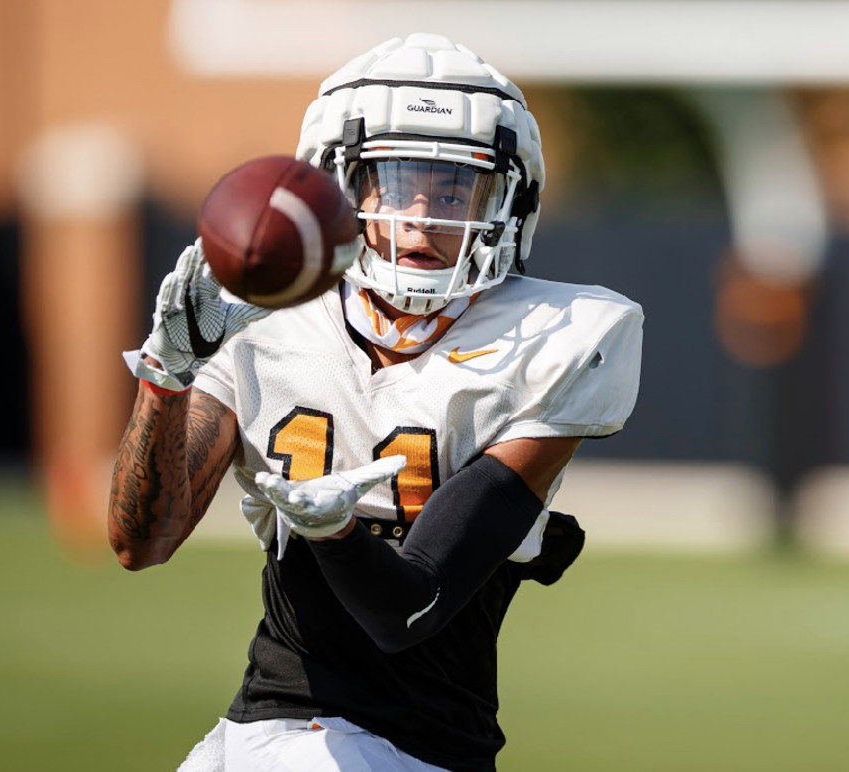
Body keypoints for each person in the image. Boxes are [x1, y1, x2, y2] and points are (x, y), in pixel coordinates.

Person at [108, 33, 643, 772]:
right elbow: (143, 541)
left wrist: (334, 533)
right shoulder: (262, 319)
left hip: (418, 743)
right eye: (395, 183)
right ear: (341, 191)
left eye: (456, 186)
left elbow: (408, 609)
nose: (424, 213)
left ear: (507, 200)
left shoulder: (561, 335)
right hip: (259, 724)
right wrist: (166, 376)